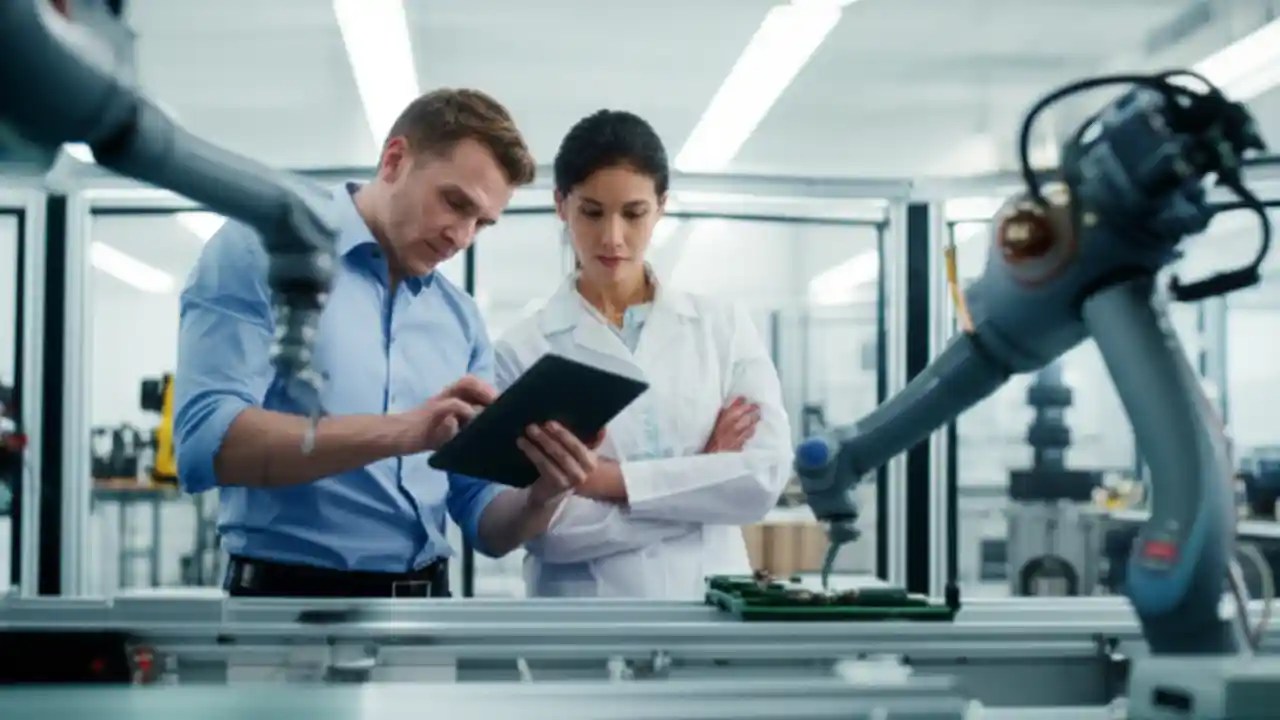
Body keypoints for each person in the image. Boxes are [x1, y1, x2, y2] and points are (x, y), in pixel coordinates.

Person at [174, 88, 601, 598]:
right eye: (454, 202)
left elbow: (484, 523)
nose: (462, 236)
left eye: (481, 223)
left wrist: (542, 496)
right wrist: (402, 432)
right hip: (284, 606)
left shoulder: (459, 319)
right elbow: (204, 443)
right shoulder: (264, 251)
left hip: (426, 609)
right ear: (395, 159)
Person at [495, 110, 794, 599]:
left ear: (660, 207)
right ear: (560, 205)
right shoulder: (521, 351)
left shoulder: (722, 327)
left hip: (710, 607)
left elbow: (761, 479)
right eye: (592, 212)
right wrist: (704, 476)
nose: (613, 237)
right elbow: (552, 532)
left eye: (633, 213)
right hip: (584, 626)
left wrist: (606, 480)